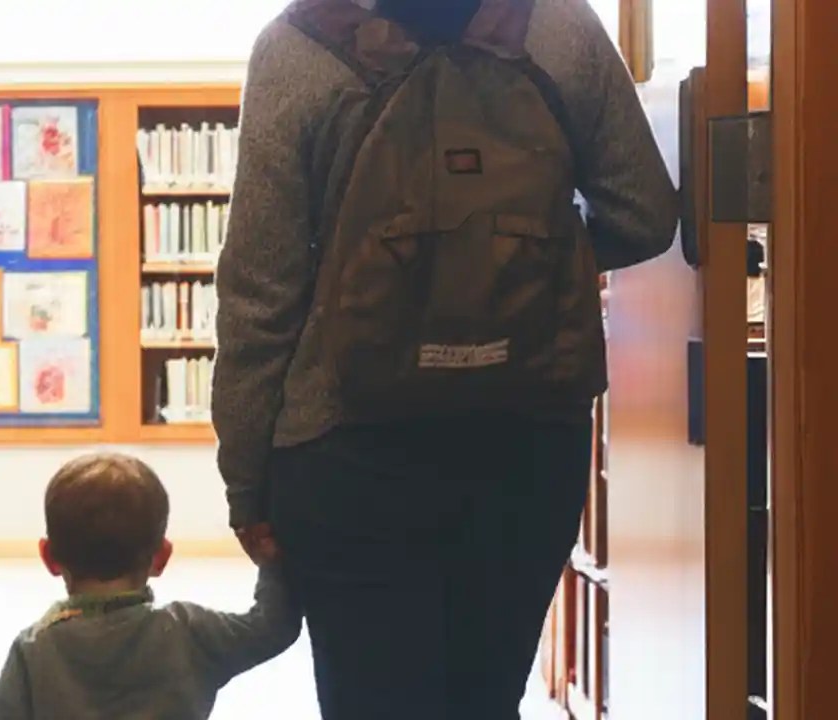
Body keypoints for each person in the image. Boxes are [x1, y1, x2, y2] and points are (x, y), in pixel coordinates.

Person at [213, 0, 678, 718]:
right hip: (527, 439)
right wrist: (521, 257)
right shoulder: (560, 27)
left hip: (345, 449)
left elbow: (258, 293)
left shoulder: (297, 45)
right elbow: (643, 212)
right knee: (486, 699)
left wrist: (246, 482)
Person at [0, 453, 300, 720]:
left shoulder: (34, 649)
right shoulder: (190, 632)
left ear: (49, 557)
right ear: (161, 557)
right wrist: (270, 563)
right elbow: (273, 628)